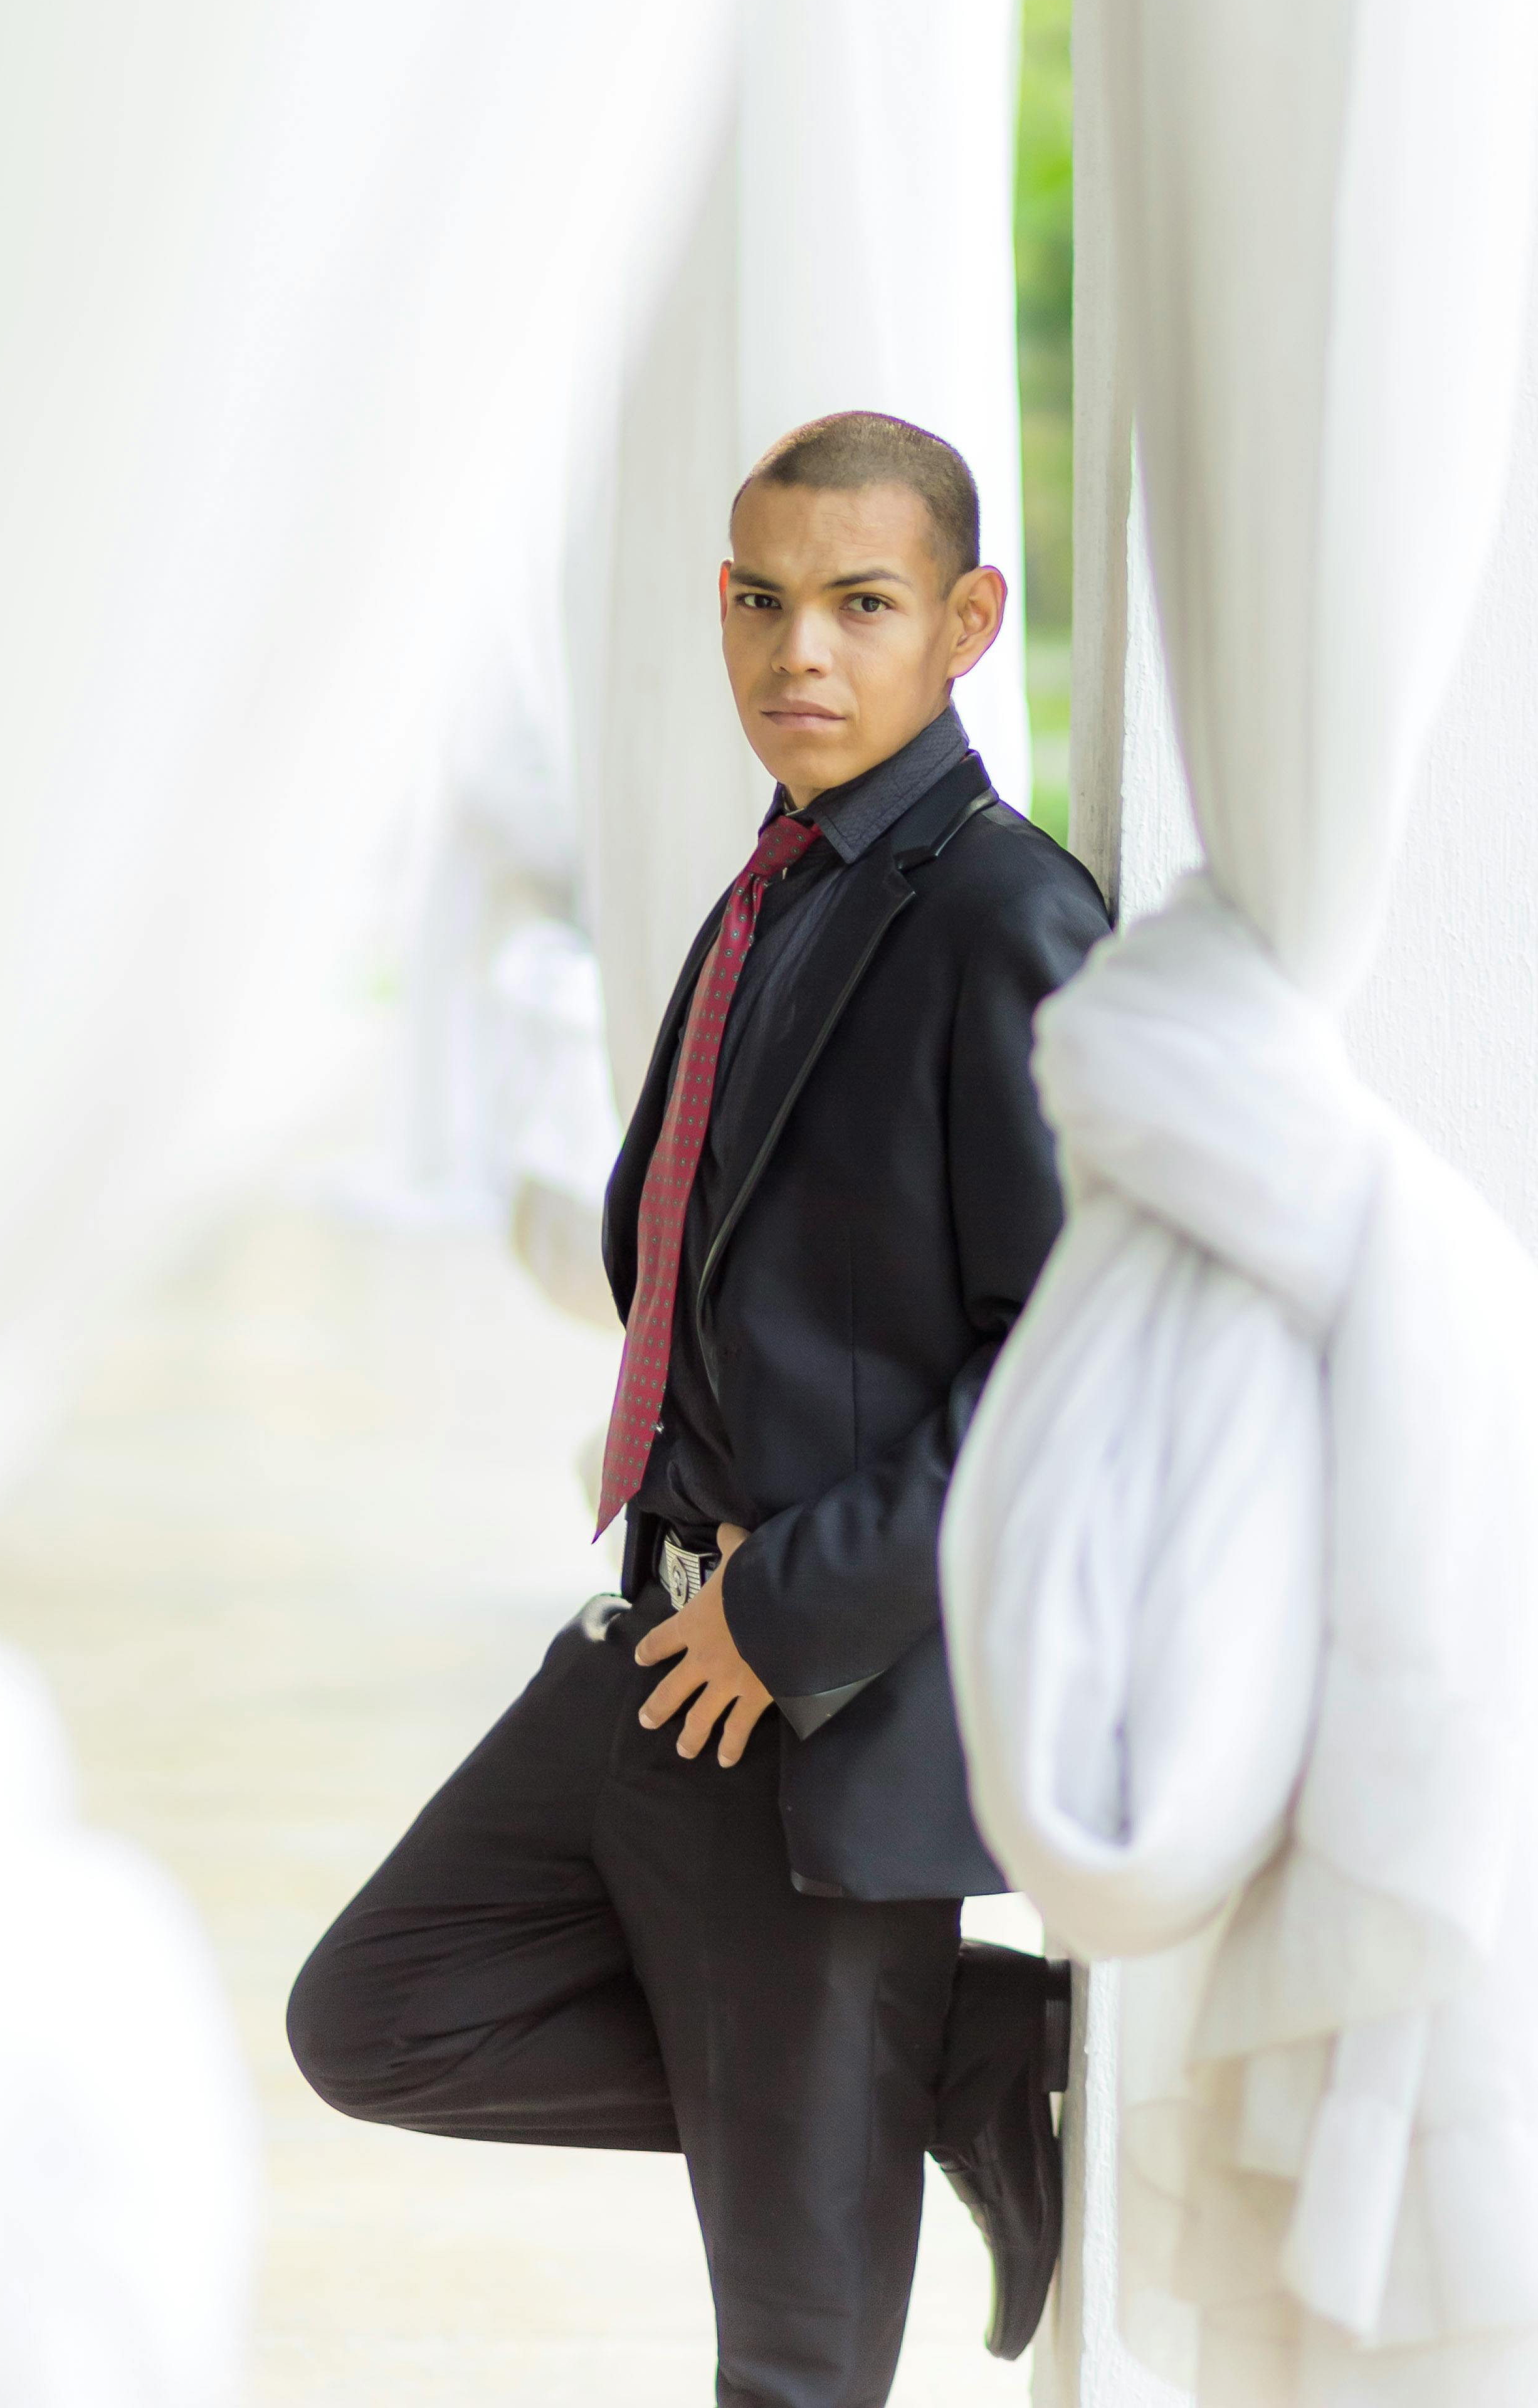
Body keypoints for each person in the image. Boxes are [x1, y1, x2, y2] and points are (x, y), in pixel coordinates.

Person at [288, 411, 1111, 2408]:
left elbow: (1067, 1363)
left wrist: (788, 1609)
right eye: (762, 602)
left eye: (861, 606)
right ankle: (955, 2057)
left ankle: (898, 2053)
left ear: (967, 622)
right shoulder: (791, 872)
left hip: (808, 1705)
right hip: (656, 1639)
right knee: (380, 2013)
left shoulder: (1000, 919)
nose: (798, 654)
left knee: (793, 2361)